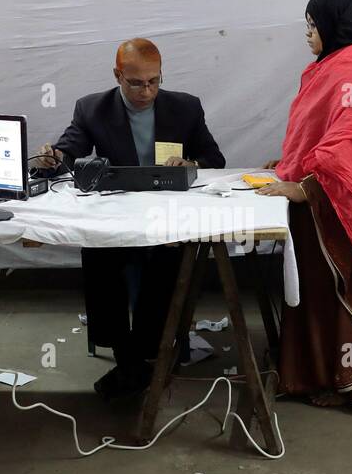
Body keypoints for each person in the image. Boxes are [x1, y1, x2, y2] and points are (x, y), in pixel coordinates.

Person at [33, 38, 225, 400]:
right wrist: (52, 158)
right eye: (137, 83)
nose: (147, 91)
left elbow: (214, 158)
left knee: (167, 259)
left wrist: (192, 165)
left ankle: (143, 356)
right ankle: (129, 355)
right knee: (99, 256)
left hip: (166, 214)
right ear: (118, 75)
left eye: (154, 81)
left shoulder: (185, 107)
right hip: (116, 215)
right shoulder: (92, 109)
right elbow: (68, 153)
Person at [258, 0, 352, 409]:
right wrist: (291, 161)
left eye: (312, 25)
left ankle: (344, 381)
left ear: (336, 26)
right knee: (314, 292)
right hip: (321, 200)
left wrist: (304, 186)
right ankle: (315, 374)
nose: (307, 34)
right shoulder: (339, 64)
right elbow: (326, 130)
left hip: (337, 206)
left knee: (333, 290)